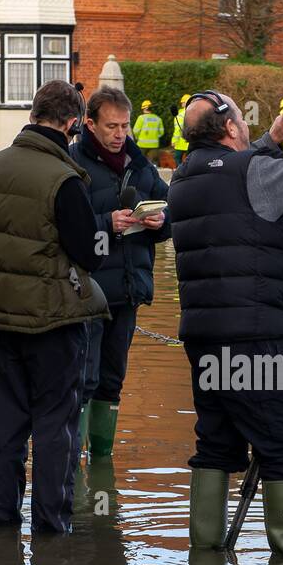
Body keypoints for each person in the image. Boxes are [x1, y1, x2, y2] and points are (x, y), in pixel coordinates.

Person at [168, 91, 283, 559]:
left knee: (216, 446)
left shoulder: (181, 179)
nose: (247, 125)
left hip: (204, 341)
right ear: (228, 129)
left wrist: (270, 139)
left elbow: (235, 175)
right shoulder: (254, 175)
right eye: (242, 119)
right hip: (258, 341)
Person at [0, 81, 108, 535]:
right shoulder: (63, 179)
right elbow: (87, 252)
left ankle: (0, 522)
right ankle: (51, 528)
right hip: (52, 322)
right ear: (71, 125)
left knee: (6, 425)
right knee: (53, 428)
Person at [68, 86, 172, 457]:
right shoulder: (73, 165)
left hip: (128, 289)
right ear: (89, 124)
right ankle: (71, 468)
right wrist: (104, 223)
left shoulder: (140, 165)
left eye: (124, 126)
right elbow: (60, 227)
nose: (119, 134)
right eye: (111, 126)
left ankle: (100, 463)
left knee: (112, 380)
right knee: (83, 379)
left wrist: (160, 221)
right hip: (85, 292)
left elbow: (169, 211)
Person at [171, 93, 191, 166]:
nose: (181, 104)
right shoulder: (195, 113)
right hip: (191, 142)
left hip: (181, 143)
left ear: (185, 103)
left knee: (177, 158)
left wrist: (174, 140)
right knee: (190, 160)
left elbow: (178, 129)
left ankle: (180, 174)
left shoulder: (180, 115)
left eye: (182, 102)